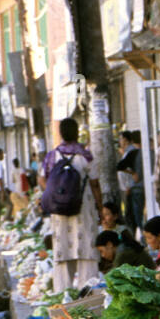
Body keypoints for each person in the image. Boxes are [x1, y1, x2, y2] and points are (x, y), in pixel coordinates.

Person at [39, 118, 102, 291]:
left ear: (61, 134)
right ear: (76, 133)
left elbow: (42, 179)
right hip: (83, 208)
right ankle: (88, 296)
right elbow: (95, 184)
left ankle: (63, 294)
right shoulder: (86, 155)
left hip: (60, 210)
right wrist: (101, 209)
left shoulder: (52, 156)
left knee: (63, 251)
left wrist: (56, 194)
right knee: (86, 251)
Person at [117, 130, 144, 232]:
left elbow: (121, 167)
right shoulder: (130, 151)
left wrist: (131, 176)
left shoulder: (132, 151)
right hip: (133, 187)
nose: (120, 141)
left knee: (134, 214)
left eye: (121, 139)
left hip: (133, 187)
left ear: (127, 140)